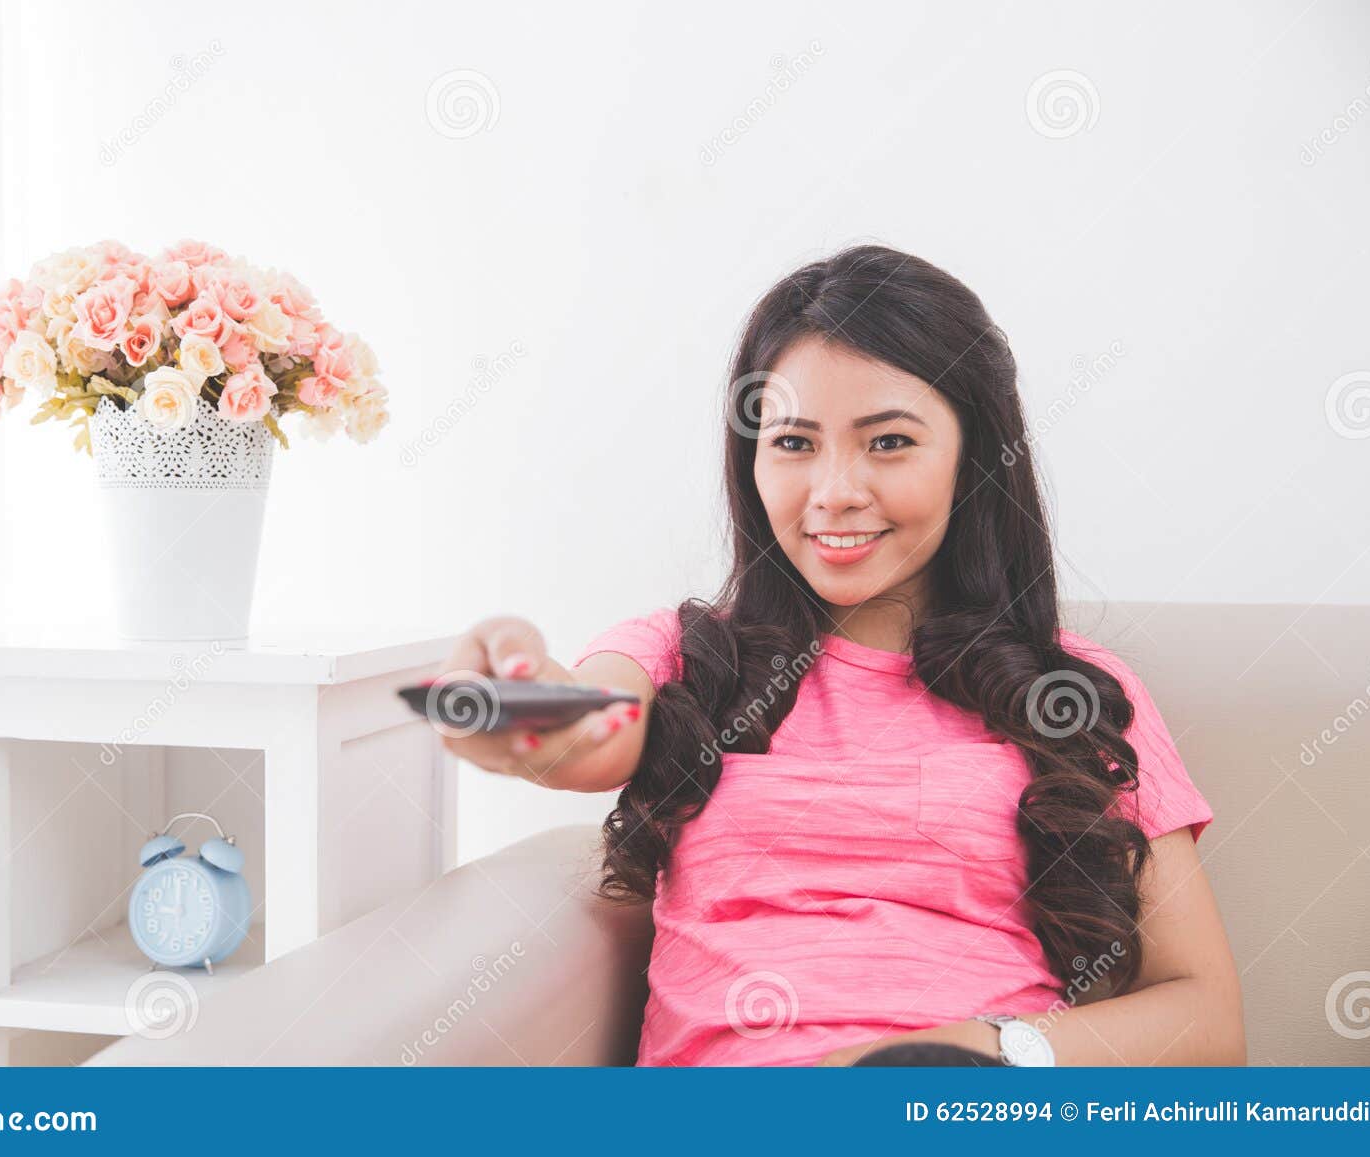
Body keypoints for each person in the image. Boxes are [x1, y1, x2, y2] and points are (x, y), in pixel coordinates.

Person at [435, 245, 1244, 1068]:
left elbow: (1207, 1020)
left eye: (888, 441)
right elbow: (585, 729)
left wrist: (979, 1046)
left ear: (974, 457)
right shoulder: (686, 654)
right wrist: (515, 710)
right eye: (793, 443)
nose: (834, 491)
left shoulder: (1067, 688)